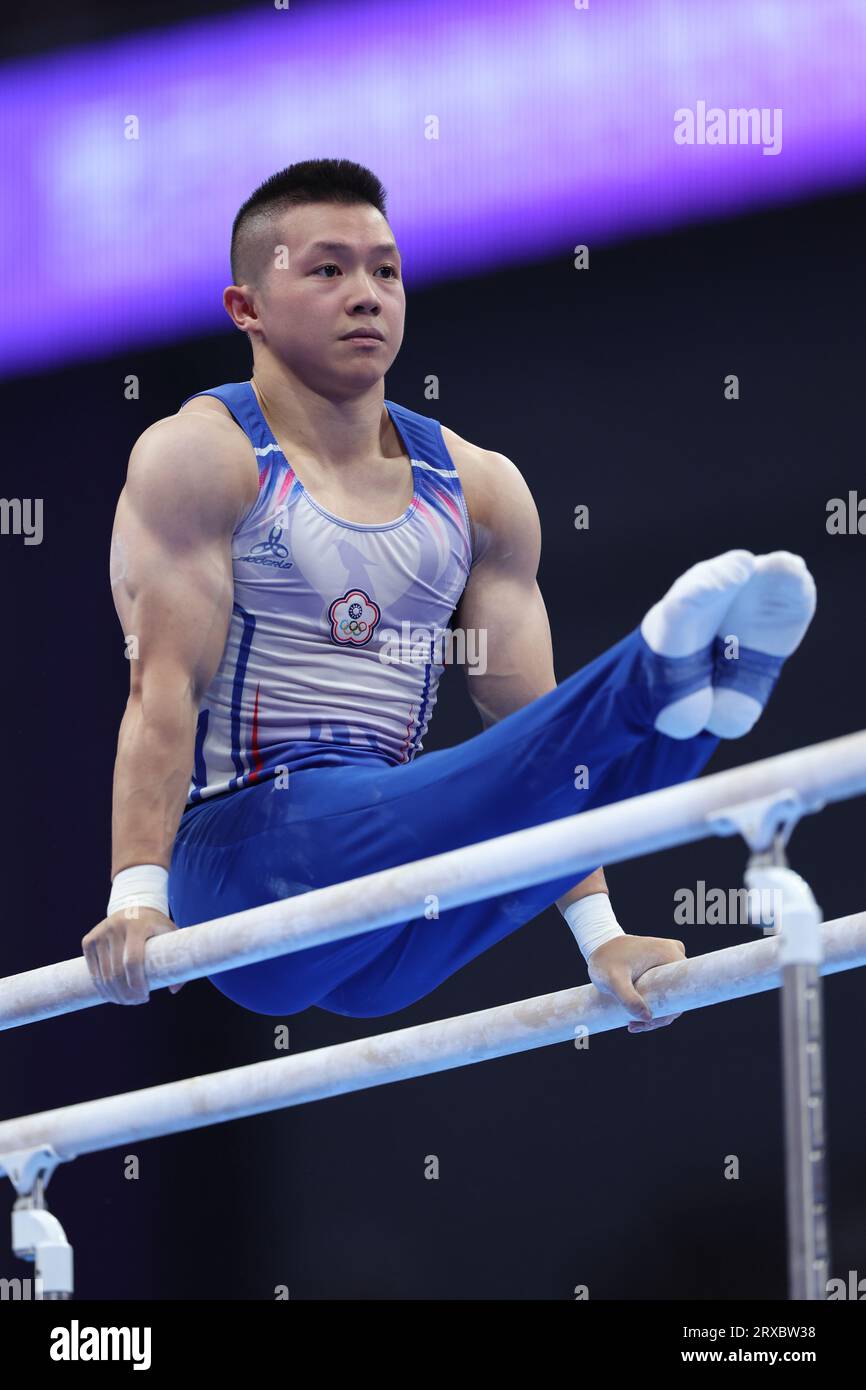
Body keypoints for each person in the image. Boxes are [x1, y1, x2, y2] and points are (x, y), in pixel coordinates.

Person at [83, 159, 816, 1033]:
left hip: (389, 920)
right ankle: (653, 681)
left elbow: (529, 736)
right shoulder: (202, 458)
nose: (367, 294)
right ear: (247, 308)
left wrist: (600, 935)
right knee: (478, 786)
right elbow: (163, 689)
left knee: (525, 788)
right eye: (328, 270)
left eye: (385, 271)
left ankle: (687, 718)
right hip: (244, 863)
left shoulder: (479, 488)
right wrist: (136, 894)